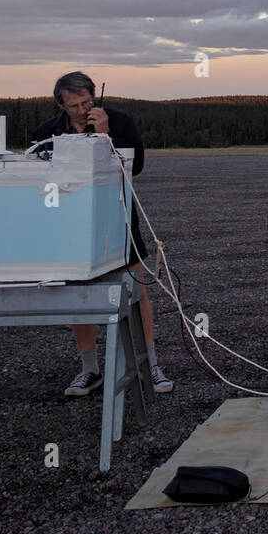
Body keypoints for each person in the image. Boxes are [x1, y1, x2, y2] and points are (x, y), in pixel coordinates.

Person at [33, 71, 174, 396]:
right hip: (70, 228)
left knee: (136, 294)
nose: (83, 109)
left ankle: (150, 365)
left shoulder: (119, 122)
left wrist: (106, 135)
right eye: (75, 105)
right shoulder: (48, 132)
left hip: (119, 222)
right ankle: (90, 370)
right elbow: (38, 176)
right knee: (79, 298)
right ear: (61, 104)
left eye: (88, 102)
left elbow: (135, 166)